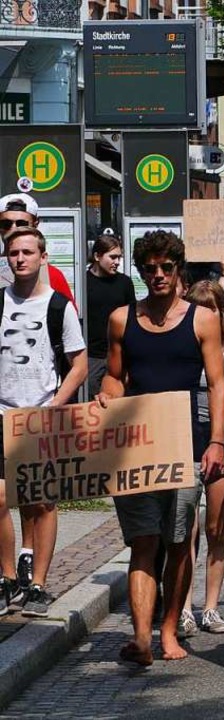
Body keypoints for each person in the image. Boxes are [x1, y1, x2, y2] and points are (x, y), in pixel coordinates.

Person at [96, 230, 224, 666]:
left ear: (178, 269)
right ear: (140, 271)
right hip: (136, 447)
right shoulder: (122, 319)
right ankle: (141, 639)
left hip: (185, 445)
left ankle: (169, 628)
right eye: (149, 269)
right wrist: (107, 394)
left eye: (166, 268)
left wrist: (217, 442)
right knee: (143, 541)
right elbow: (115, 375)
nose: (158, 275)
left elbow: (217, 384)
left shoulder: (201, 320)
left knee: (178, 542)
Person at [0, 227, 88, 617]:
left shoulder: (58, 307)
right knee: (1, 498)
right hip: (2, 414)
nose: (20, 259)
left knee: (42, 500)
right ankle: (7, 578)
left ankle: (37, 584)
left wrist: (54, 405)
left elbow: (78, 365)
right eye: (13, 253)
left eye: (27, 252)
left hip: (40, 416)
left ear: (43, 257)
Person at [177, 281, 224, 637]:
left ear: (223, 313)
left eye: (211, 309)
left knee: (217, 528)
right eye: (198, 309)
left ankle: (211, 607)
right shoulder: (183, 347)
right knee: (185, 528)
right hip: (188, 438)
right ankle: (183, 608)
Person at [0, 194, 76, 307]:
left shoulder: (53, 275)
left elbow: (67, 314)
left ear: (35, 224)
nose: (13, 229)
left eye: (22, 224)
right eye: (6, 224)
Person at [86, 233, 136, 397]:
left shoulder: (124, 283)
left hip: (120, 355)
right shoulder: (84, 282)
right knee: (91, 401)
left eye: (119, 257)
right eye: (112, 257)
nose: (117, 262)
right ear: (97, 256)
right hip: (92, 356)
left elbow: (132, 317)